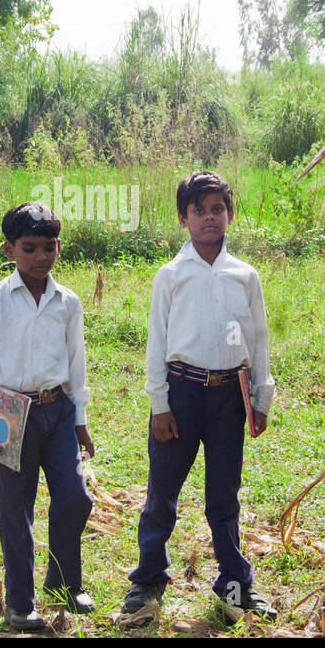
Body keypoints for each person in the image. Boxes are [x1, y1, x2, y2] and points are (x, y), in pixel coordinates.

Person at [123, 170, 279, 622]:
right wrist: (160, 404)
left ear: (229, 215)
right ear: (182, 218)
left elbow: (259, 340)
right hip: (182, 392)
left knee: (224, 495)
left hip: (230, 395)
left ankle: (233, 585)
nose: (209, 218)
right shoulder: (171, 276)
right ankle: (148, 579)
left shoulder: (244, 276)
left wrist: (261, 397)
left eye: (217, 210)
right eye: (199, 211)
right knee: (162, 491)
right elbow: (157, 341)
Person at [0, 201, 96, 632]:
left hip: (56, 409)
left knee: (75, 497)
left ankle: (64, 584)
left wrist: (79, 419)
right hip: (10, 413)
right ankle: (20, 602)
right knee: (14, 509)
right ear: (9, 251)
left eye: (50, 247)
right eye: (30, 247)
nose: (41, 256)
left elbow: (76, 365)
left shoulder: (67, 302)